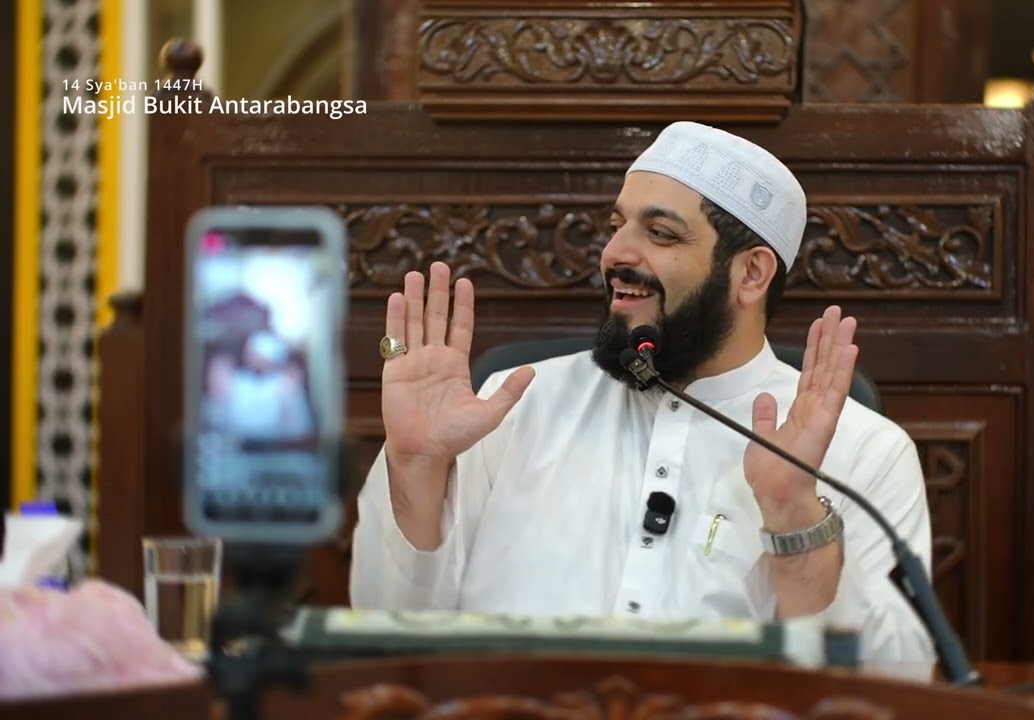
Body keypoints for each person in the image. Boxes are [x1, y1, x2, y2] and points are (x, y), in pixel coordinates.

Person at [350, 121, 935, 662]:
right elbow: (388, 629)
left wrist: (793, 515)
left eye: (659, 233)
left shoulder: (864, 450)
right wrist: (416, 468)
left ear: (751, 273)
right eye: (617, 226)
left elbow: (893, 681)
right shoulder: (513, 402)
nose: (615, 255)